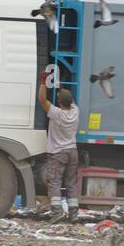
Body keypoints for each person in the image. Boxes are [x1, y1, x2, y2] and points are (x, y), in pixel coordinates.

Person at [38, 82, 80, 218]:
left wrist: (44, 83)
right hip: (72, 152)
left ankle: (57, 212)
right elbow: (70, 100)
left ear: (59, 102)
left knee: (55, 181)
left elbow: (42, 99)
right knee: (71, 182)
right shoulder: (76, 111)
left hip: (58, 153)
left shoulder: (56, 114)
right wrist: (62, 90)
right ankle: (73, 214)